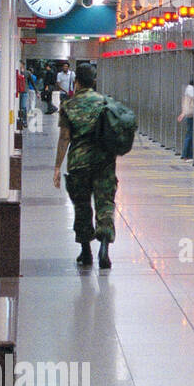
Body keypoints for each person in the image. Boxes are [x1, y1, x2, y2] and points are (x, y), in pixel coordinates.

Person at [53, 64, 117, 269]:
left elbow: (64, 138)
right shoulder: (105, 103)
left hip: (78, 164)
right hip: (104, 163)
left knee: (82, 206)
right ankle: (105, 247)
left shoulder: (69, 105)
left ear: (76, 82)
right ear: (94, 81)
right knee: (105, 204)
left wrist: (57, 167)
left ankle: (86, 252)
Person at [178, 78, 194, 160]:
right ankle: (187, 154)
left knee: (189, 134)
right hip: (191, 114)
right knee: (190, 135)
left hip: (188, 114)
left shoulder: (187, 90)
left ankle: (186, 154)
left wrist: (183, 113)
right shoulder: (192, 90)